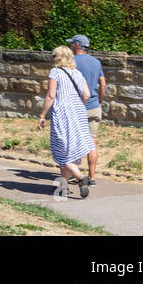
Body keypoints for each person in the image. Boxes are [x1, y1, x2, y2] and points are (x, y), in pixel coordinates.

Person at [37, 45, 94, 198]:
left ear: (57, 58)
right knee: (71, 150)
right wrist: (77, 105)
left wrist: (42, 115)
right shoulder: (77, 73)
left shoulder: (55, 72)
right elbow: (87, 94)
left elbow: (50, 96)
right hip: (79, 114)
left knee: (61, 152)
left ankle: (81, 178)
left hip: (62, 114)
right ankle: (64, 187)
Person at [68, 34, 106, 185]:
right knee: (91, 141)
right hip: (94, 106)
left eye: (72, 44)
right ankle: (92, 177)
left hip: (77, 107)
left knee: (73, 141)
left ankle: (74, 174)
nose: (70, 46)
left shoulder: (71, 62)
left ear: (77, 45)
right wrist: (100, 101)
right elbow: (102, 84)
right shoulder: (96, 62)